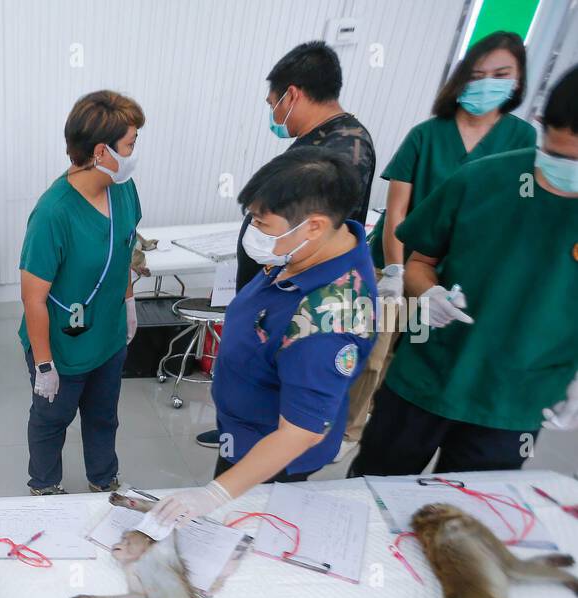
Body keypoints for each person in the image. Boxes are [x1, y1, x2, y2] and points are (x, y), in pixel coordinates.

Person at [349, 64, 578, 477]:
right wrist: (428, 293)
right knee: (372, 491)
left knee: (466, 518)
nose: (564, 174)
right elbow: (419, 263)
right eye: (557, 156)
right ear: (541, 127)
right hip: (427, 380)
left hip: (514, 401)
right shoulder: (483, 179)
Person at [153, 148, 377, 529]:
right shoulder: (302, 255)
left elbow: (299, 433)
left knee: (242, 538)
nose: (252, 233)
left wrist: (215, 495)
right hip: (242, 433)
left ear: (314, 226)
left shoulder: (328, 321)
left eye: (262, 223)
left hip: (271, 461)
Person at [341, 31, 534, 457]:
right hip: (395, 263)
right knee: (373, 354)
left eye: (501, 74)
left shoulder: (524, 142)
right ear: (460, 78)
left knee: (418, 356)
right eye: (478, 73)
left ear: (518, 81)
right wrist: (394, 271)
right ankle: (349, 431)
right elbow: (397, 215)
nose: (488, 83)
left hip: (461, 278)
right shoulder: (426, 135)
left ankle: (389, 419)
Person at [196, 40, 375, 450]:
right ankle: (237, 427)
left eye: (272, 103)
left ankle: (255, 440)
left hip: (291, 298)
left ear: (292, 95)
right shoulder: (320, 139)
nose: (273, 114)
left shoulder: (345, 148)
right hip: (273, 287)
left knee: (282, 402)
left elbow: (319, 236)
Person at [18, 90, 144, 495]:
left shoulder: (122, 187)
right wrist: (43, 365)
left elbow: (124, 248)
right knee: (52, 418)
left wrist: (128, 303)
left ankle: (103, 479)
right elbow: (32, 298)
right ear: (102, 151)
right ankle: (44, 485)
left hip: (107, 334)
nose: (134, 153)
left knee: (103, 414)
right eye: (130, 145)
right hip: (63, 343)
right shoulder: (53, 213)